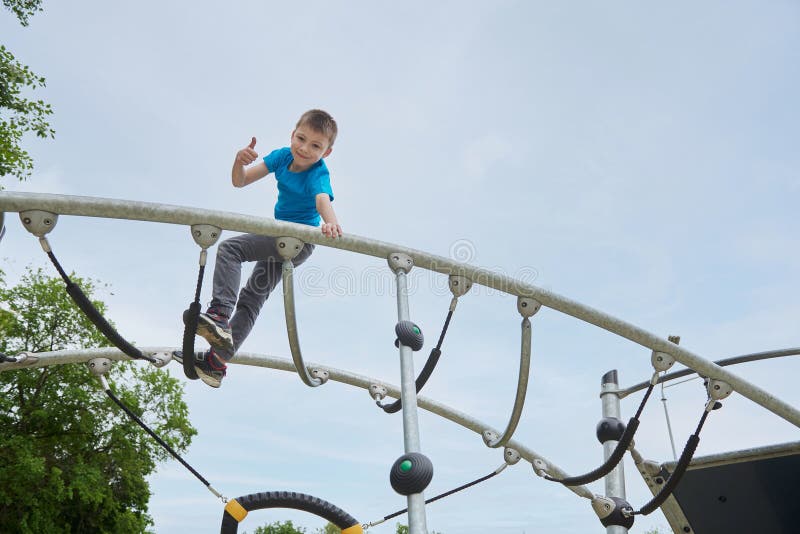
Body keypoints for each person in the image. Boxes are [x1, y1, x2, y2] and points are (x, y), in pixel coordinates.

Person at [191, 109, 342, 388]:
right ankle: (217, 363)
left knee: (230, 250)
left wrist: (331, 223)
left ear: (327, 152)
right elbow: (241, 180)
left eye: (315, 146)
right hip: (280, 238)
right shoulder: (283, 156)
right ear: (292, 134)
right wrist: (238, 161)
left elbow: (322, 201)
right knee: (252, 298)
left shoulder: (318, 173)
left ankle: (220, 316)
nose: (304, 149)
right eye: (301, 138)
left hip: (297, 241)